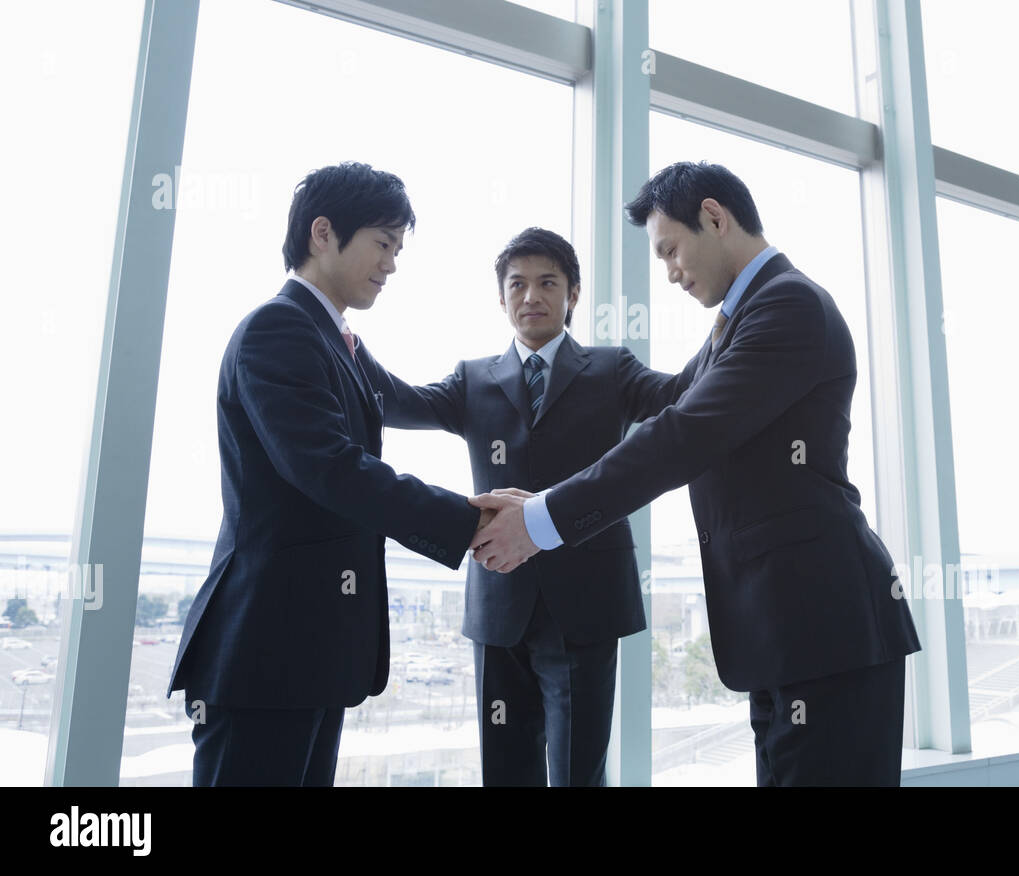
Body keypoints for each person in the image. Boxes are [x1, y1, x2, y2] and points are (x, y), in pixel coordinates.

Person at [471, 161, 923, 786]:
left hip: (825, 626)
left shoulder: (786, 305)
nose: (671, 272)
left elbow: (683, 434)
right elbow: (674, 404)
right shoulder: (734, 325)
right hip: (786, 632)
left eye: (670, 250)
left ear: (714, 217)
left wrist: (544, 519)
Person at [167, 161, 487, 786]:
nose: (392, 263)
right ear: (323, 233)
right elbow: (330, 470)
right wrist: (467, 520)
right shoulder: (278, 330)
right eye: (383, 242)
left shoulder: (335, 339)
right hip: (265, 650)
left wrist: (514, 378)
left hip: (309, 653)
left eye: (397, 247)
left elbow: (413, 401)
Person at [369, 227, 688, 785]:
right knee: (506, 771)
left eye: (548, 283)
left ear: (573, 294)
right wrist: (343, 341)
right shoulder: (472, 379)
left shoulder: (613, 370)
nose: (531, 297)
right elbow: (399, 403)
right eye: (517, 285)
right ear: (501, 298)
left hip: (587, 603)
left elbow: (683, 396)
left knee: (577, 772)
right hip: (500, 602)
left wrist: (729, 337)